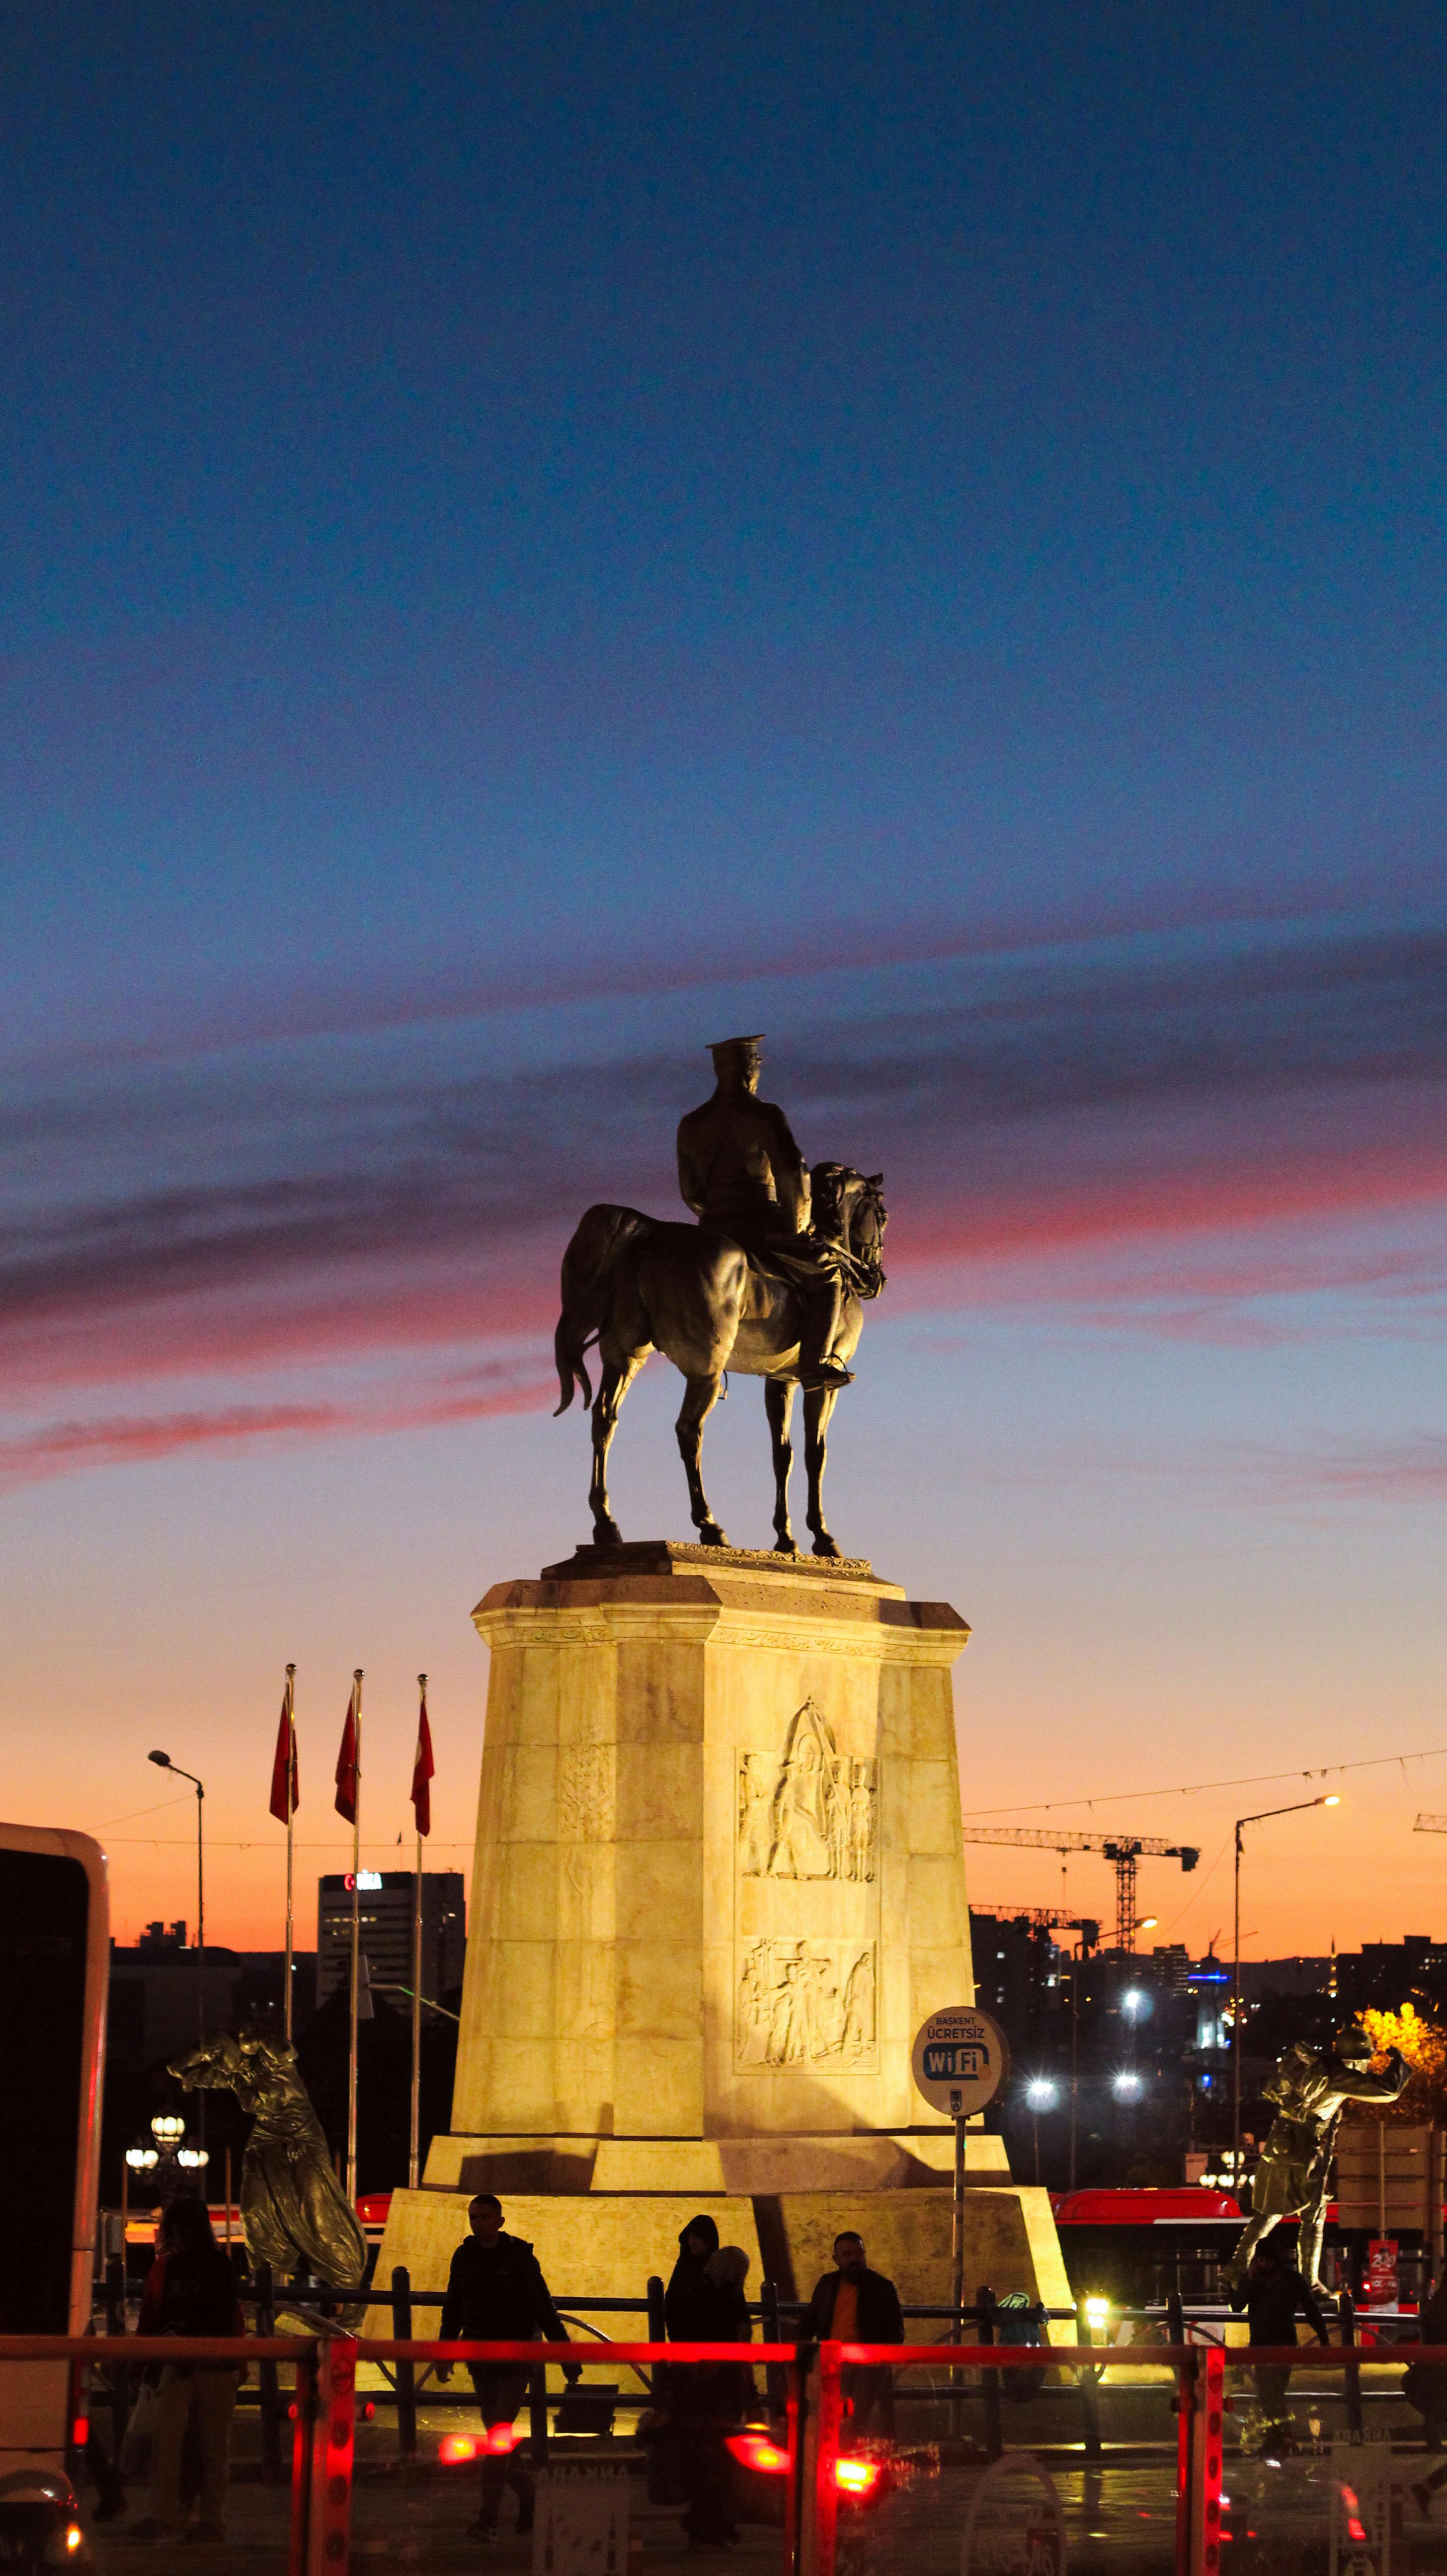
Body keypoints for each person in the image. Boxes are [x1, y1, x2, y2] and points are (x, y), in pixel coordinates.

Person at [676, 1034, 856, 1391]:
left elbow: (690, 1193)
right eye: (757, 1065)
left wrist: (714, 1218)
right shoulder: (763, 1116)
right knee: (829, 1276)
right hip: (760, 1223)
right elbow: (793, 1175)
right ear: (750, 1069)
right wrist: (797, 1230)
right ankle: (815, 1366)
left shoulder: (692, 1123)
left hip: (712, 1226)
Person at [436, 2194, 580, 2542]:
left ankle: (489, 2519)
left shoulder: (519, 2258)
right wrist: (445, 2352)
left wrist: (565, 2354)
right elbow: (453, 2306)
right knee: (496, 2436)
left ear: (500, 2221)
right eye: (473, 2217)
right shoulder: (464, 2257)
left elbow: (543, 2307)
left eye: (484, 2217)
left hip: (516, 2357)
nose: (478, 2223)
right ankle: (529, 2495)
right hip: (481, 2357)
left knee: (498, 2433)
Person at [130, 2195, 245, 2544]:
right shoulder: (218, 2265)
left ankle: (167, 2515)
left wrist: (162, 2349)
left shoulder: (182, 2267)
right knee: (208, 2447)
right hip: (211, 2363)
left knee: (175, 2443)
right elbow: (225, 2317)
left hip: (187, 2361)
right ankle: (206, 2519)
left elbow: (165, 2315)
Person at [665, 2226, 754, 2554]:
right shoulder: (704, 2288)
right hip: (707, 2380)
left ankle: (710, 2525)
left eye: (699, 2237)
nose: (693, 2242)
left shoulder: (711, 2288)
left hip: (709, 2380)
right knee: (712, 2453)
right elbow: (691, 2324)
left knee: (712, 2453)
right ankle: (709, 2525)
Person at [1229, 2237, 1330, 2453]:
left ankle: (1280, 2436)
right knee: (1266, 2392)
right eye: (1260, 2260)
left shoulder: (1293, 2280)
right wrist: (1249, 2280)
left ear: (1277, 2260)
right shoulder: (1252, 2279)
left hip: (1284, 2343)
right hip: (1259, 2344)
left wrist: (1324, 2338)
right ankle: (1281, 2436)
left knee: (1273, 2390)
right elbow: (1237, 2306)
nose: (1264, 2265)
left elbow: (1311, 2310)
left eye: (1268, 2260)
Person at [802, 2232, 904, 2444]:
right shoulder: (827, 2285)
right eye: (847, 2255)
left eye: (858, 2253)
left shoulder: (882, 2287)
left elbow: (896, 2332)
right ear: (836, 2260)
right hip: (834, 2363)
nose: (854, 2259)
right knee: (834, 2417)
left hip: (867, 2367)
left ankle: (845, 2455)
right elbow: (810, 2320)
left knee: (856, 2418)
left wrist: (879, 2359)